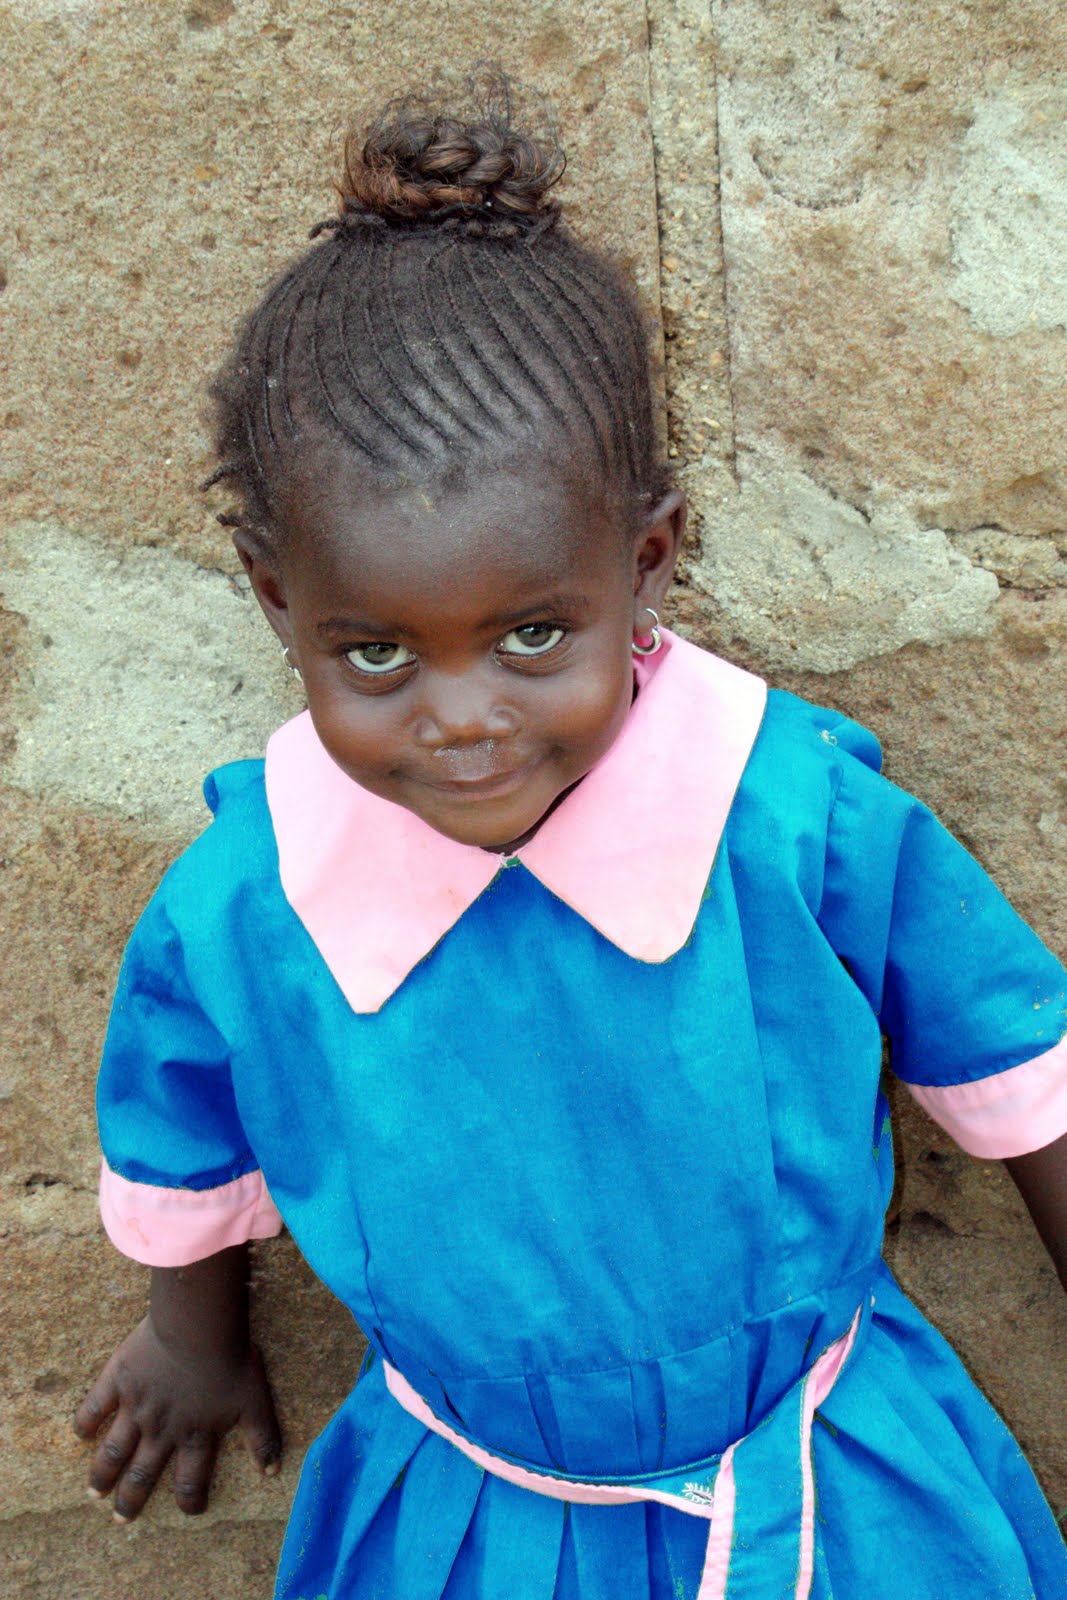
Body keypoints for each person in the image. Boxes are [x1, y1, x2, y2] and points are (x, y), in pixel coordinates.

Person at [73, 74, 1067, 1600]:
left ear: (647, 563)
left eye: (534, 632)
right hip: (469, 1516)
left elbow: (1007, 1052)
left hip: (832, 1485)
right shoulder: (248, 899)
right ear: (281, 604)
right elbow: (179, 1115)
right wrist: (191, 1340)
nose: (464, 716)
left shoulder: (788, 818)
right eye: (379, 654)